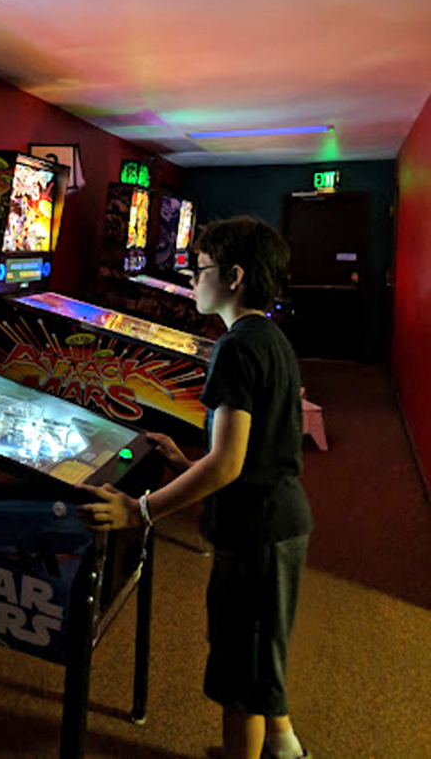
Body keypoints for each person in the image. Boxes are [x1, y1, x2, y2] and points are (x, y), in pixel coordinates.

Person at [78, 216, 313, 759]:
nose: (190, 281)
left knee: (242, 678)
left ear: (233, 276)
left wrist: (142, 509)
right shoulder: (268, 336)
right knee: (260, 651)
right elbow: (253, 447)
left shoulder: (234, 348)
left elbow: (228, 465)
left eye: (199, 269)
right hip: (279, 520)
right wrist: (187, 462)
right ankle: (282, 745)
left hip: (257, 531)